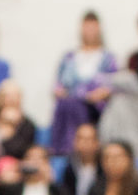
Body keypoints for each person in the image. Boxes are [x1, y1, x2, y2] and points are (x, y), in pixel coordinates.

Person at [48, 12, 120, 154]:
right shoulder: (69, 57)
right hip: (70, 101)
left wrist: (103, 92)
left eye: (93, 27)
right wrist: (58, 90)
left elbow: (114, 83)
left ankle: (77, 151)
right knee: (66, 104)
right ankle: (60, 151)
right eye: (86, 27)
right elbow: (58, 83)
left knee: (76, 106)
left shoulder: (108, 58)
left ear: (99, 29)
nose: (90, 31)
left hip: (94, 106)